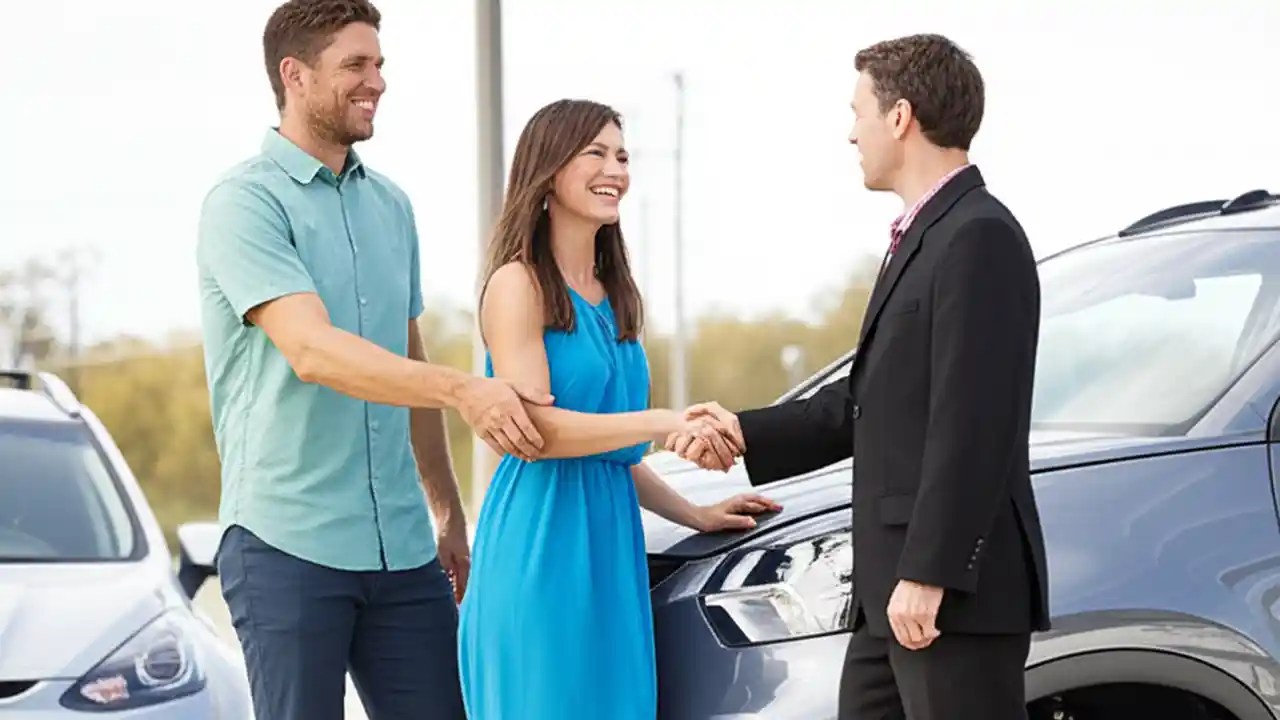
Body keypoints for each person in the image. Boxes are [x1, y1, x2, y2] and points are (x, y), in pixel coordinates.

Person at [669, 34, 1051, 720]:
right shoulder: (924, 236)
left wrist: (931, 573)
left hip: (945, 597)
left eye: (859, 112)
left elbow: (974, 423)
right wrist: (742, 430)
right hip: (890, 594)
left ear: (900, 117)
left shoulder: (978, 236)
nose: (852, 134)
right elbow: (865, 403)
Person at [195, 2, 551, 718]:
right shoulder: (244, 205)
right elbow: (313, 350)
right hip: (285, 544)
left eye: (379, 64)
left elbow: (404, 359)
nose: (377, 81)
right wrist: (465, 389)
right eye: (356, 65)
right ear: (294, 76)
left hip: (402, 550)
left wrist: (447, 510)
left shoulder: (391, 207)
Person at [456, 98, 782, 720]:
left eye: (623, 155)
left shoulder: (616, 297)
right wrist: (666, 421)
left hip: (611, 552)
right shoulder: (517, 285)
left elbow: (611, 452)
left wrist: (696, 514)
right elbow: (538, 432)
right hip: (539, 546)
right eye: (597, 153)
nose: (617, 170)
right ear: (549, 170)